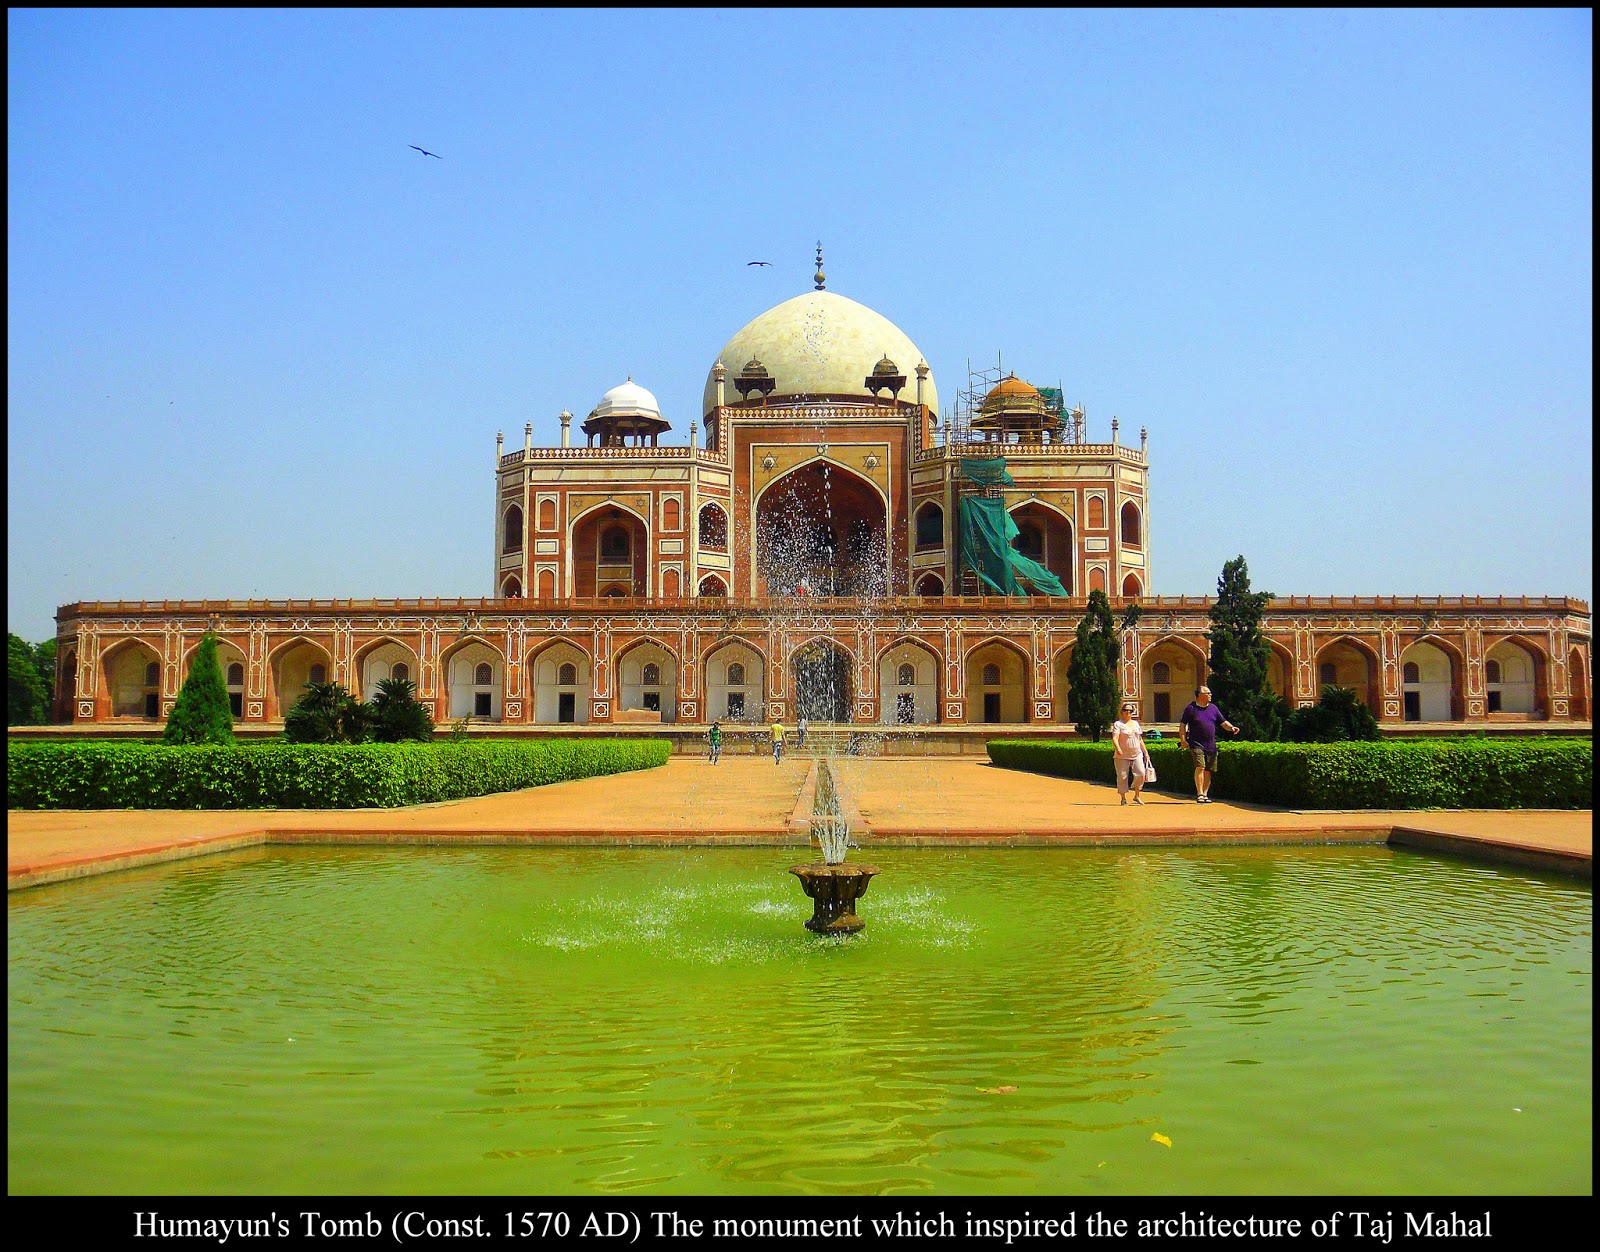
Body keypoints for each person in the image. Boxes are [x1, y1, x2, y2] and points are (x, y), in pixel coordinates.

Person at [1178, 685, 1240, 803]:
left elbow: (1223, 722)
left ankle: (1205, 794)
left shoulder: (1213, 708)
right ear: (1200, 695)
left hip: (1211, 744)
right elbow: (1182, 725)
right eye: (1208, 693)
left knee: (1208, 770)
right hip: (1196, 743)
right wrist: (1183, 740)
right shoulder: (1191, 708)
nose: (1211, 695)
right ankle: (1199, 793)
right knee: (1200, 766)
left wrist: (1232, 728)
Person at [1111, 702, 1147, 805]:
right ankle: (1123, 798)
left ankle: (1137, 796)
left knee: (1141, 773)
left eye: (1130, 711)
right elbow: (1115, 737)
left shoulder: (1135, 724)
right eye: (1126, 710)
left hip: (1136, 753)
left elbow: (1139, 739)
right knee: (1122, 776)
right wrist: (1118, 748)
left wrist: (1145, 752)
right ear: (1122, 712)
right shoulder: (1118, 724)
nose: (1128, 712)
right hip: (1122, 755)